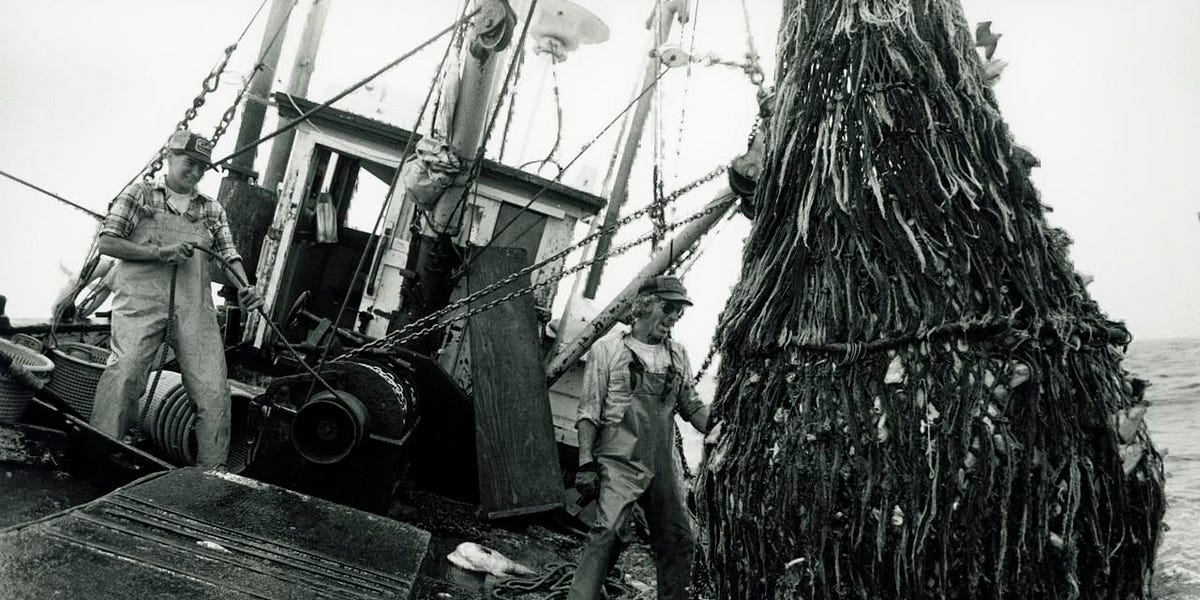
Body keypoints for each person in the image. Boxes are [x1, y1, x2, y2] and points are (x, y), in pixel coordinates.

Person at [90, 129, 261, 470]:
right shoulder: (139, 194)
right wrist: (159, 252)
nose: (195, 172)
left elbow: (229, 254)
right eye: (190, 162)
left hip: (193, 307)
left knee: (214, 389)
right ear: (170, 157)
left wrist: (246, 286)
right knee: (125, 375)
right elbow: (108, 243)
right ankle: (97, 459)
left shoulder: (211, 209)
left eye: (202, 167)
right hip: (140, 302)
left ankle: (210, 476)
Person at [568, 275, 712, 600]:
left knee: (679, 539)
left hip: (663, 462)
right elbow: (589, 413)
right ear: (646, 305)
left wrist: (721, 425)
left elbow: (692, 406)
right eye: (669, 307)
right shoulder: (606, 351)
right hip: (619, 458)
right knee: (608, 533)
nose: (675, 317)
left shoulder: (679, 355)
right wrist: (586, 464)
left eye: (680, 311)